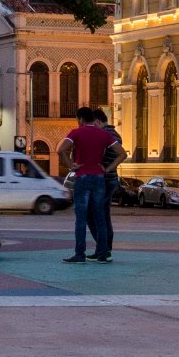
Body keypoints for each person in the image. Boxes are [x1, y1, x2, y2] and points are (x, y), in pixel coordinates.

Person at [59, 106, 117, 263]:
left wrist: (71, 166)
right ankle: (103, 254)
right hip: (99, 178)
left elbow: (60, 149)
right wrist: (107, 168)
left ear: (80, 119)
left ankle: (80, 254)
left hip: (82, 177)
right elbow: (122, 153)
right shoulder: (103, 134)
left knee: (81, 218)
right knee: (100, 217)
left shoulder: (76, 133)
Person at [93, 108, 123, 256]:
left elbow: (119, 154)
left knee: (97, 214)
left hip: (104, 179)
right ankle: (105, 247)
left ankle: (103, 248)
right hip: (112, 178)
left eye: (93, 124)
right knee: (104, 213)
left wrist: (105, 169)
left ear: (97, 121)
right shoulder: (116, 134)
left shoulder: (104, 135)